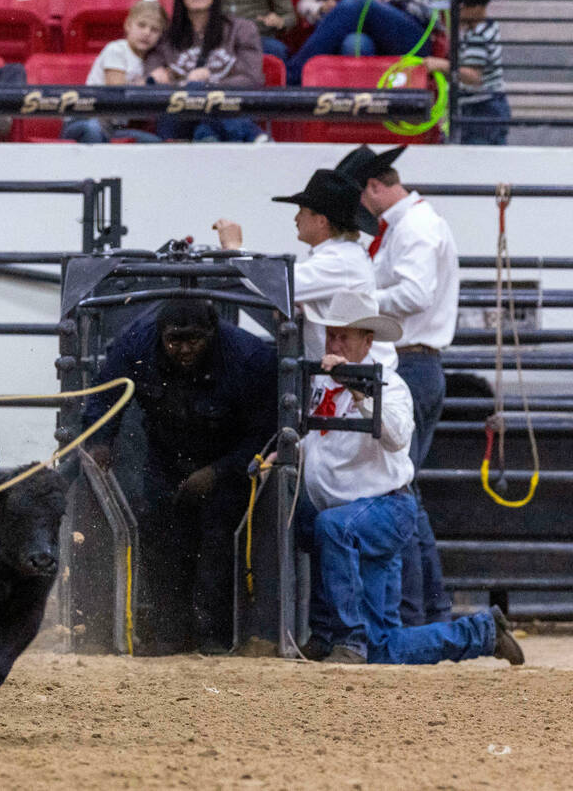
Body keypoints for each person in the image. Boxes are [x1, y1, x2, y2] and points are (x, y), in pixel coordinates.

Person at [295, 291, 523, 666]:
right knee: (382, 646)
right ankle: (483, 633)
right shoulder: (323, 384)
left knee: (330, 528)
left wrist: (358, 390)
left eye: (344, 337)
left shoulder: (389, 385)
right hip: (365, 515)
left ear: (367, 342)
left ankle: (343, 639)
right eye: (331, 335)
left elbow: (398, 436)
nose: (334, 344)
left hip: (383, 509)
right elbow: (321, 442)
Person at [83, 299, 278, 654]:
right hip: (166, 458)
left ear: (212, 334)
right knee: (160, 539)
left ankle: (213, 636)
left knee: (218, 542)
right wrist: (99, 443)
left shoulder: (249, 358)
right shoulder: (135, 345)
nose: (184, 350)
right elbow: (103, 396)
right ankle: (168, 634)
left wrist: (219, 471)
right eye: (175, 341)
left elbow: (265, 431)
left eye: (195, 341)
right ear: (160, 336)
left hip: (227, 461)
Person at [336, 143, 459, 628]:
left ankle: (420, 612)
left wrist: (358, 298)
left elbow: (413, 293)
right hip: (414, 363)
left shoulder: (414, 229)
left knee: (400, 489)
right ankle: (427, 611)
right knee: (404, 490)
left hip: (411, 363)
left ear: (374, 187)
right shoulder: (412, 226)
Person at [213, 167, 397, 367]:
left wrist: (234, 249)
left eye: (301, 211)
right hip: (347, 374)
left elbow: (282, 282)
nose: (296, 218)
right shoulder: (341, 256)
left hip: (357, 376)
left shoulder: (341, 260)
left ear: (321, 221)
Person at [144, 0, 268, 143]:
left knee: (206, 130)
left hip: (226, 111)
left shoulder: (241, 30)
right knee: (194, 88)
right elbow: (152, 83)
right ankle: (250, 134)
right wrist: (184, 85)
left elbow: (251, 78)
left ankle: (207, 132)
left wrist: (209, 86)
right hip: (179, 119)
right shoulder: (165, 37)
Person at [287, 0, 437, 86]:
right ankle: (355, 121)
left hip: (408, 39)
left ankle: (291, 77)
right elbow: (305, 6)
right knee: (355, 44)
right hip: (353, 33)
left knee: (359, 2)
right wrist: (322, 8)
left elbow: (427, 7)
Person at [60, 0, 166, 144]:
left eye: (155, 30)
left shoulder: (152, 60)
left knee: (154, 142)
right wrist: (147, 83)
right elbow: (116, 94)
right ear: (128, 25)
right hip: (84, 119)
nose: (147, 33)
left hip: (113, 128)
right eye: (141, 25)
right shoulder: (116, 49)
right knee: (93, 130)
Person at [424, 0, 509, 145]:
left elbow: (473, 76)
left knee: (477, 156)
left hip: (482, 108)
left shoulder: (478, 35)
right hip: (485, 105)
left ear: (476, 8)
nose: (454, 11)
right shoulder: (478, 25)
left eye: (459, 6)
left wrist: (442, 65)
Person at [216, 0, 297, 62]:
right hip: (219, 34)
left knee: (276, 49)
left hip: (257, 36)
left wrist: (280, 21)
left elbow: (290, 17)